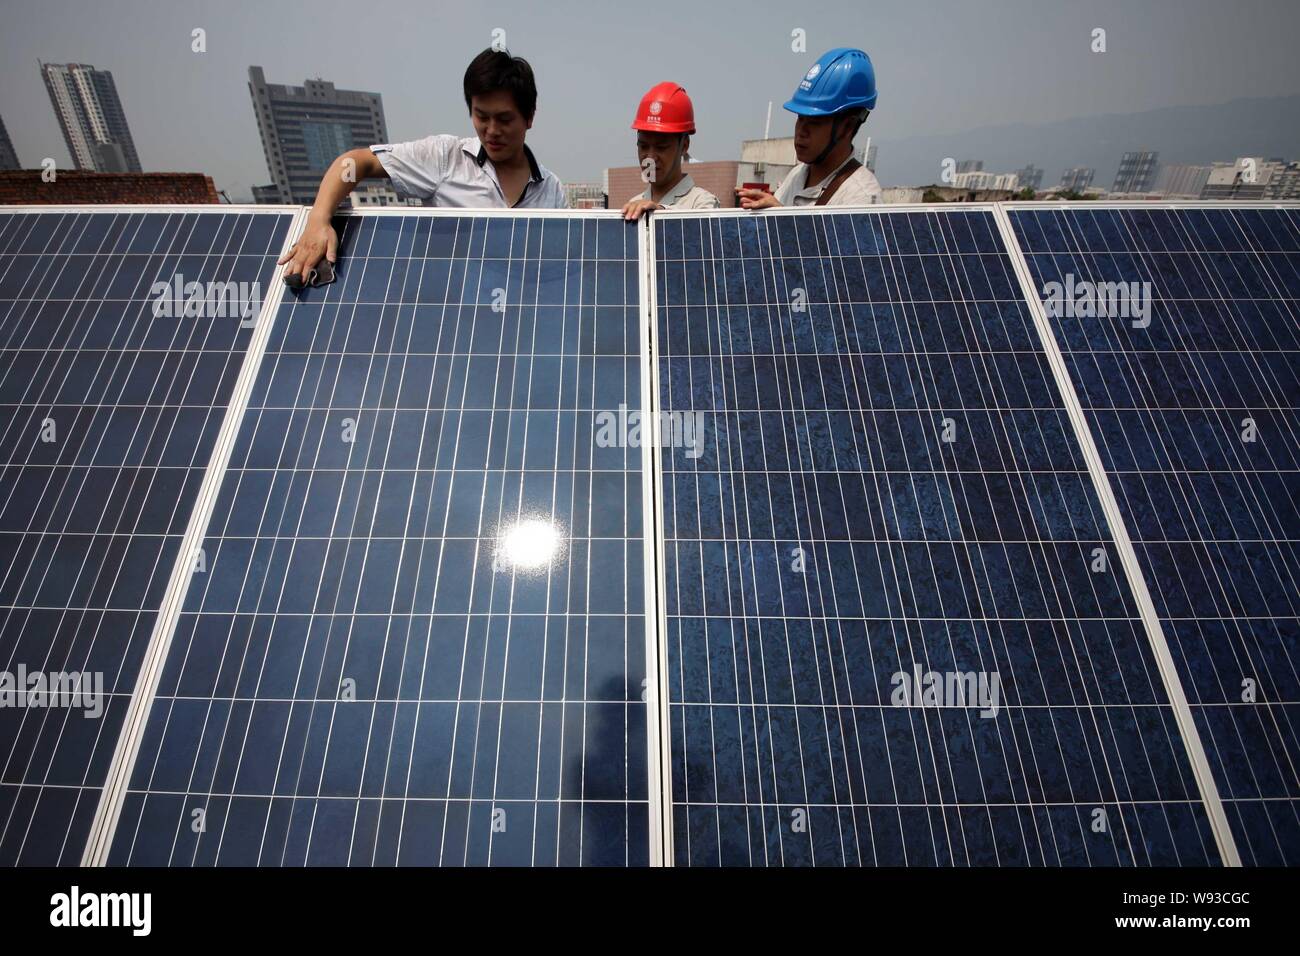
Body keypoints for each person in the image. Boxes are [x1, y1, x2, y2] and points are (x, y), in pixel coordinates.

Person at [280, 48, 567, 283]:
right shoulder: (445, 158)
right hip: (450, 311)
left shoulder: (550, 189)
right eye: (481, 117)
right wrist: (318, 220)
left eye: (504, 120)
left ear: (529, 117)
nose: (491, 130)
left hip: (524, 311)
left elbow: (564, 261)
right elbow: (355, 163)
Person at [736, 47, 882, 210]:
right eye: (800, 118)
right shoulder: (797, 175)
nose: (801, 131)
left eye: (815, 122)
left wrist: (782, 218)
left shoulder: (861, 197)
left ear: (847, 127)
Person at [621, 82, 720, 220]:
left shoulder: (703, 203)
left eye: (661, 147)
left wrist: (660, 212)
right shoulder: (632, 207)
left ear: (684, 146)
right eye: (643, 146)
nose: (650, 157)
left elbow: (700, 235)